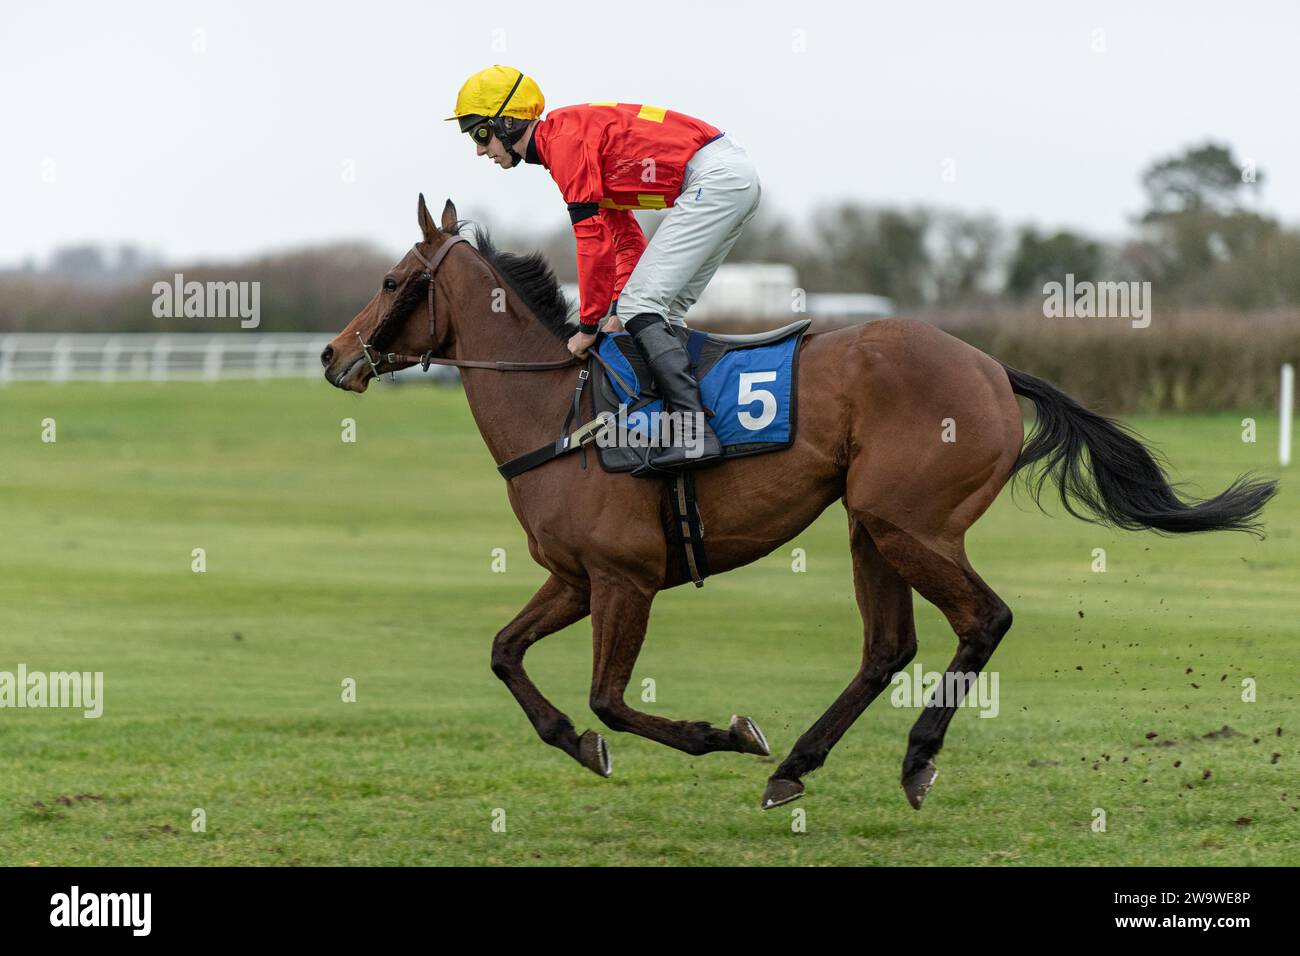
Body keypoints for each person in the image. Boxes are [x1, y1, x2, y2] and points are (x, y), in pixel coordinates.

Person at [446, 65, 762, 476]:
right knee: (655, 310)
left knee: (640, 304)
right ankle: (681, 423)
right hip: (727, 177)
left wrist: (590, 325)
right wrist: (614, 310)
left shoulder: (564, 144)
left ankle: (694, 431)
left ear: (508, 121)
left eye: (480, 134)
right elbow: (626, 240)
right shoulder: (569, 140)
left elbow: (592, 243)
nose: (479, 149)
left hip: (716, 179)